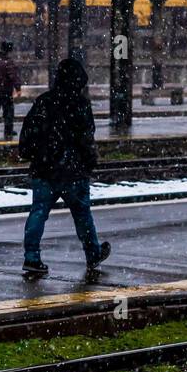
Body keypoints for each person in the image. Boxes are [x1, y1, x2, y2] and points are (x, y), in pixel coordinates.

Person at [17, 57, 110, 279]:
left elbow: (28, 134)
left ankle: (31, 257)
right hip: (73, 170)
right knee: (82, 215)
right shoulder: (80, 104)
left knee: (38, 212)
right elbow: (87, 138)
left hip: (44, 169)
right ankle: (93, 253)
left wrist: (36, 154)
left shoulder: (44, 101)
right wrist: (90, 162)